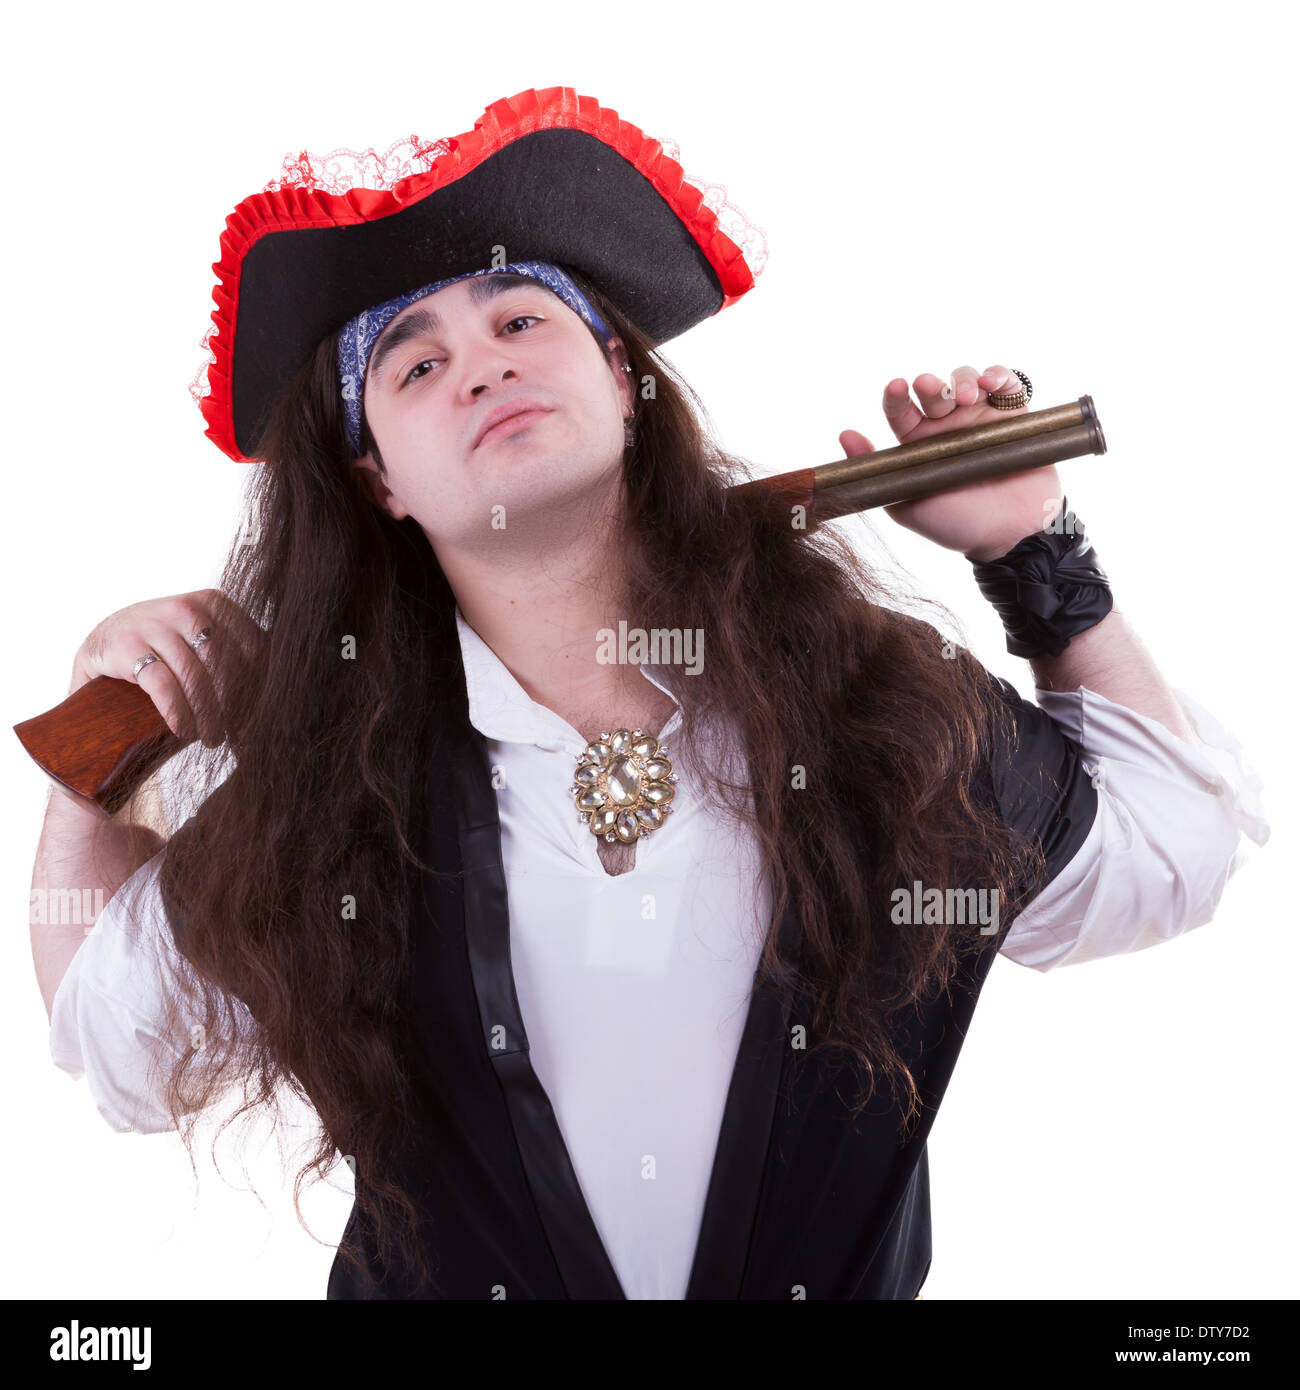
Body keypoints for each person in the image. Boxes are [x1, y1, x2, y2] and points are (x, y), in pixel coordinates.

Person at [32, 86, 1269, 1300]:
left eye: (522, 321)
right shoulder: (332, 787)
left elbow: (1175, 851)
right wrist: (103, 757)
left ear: (620, 376)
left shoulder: (869, 704)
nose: (480, 368)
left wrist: (1034, 554)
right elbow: (122, 1054)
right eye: (414, 368)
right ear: (379, 486)